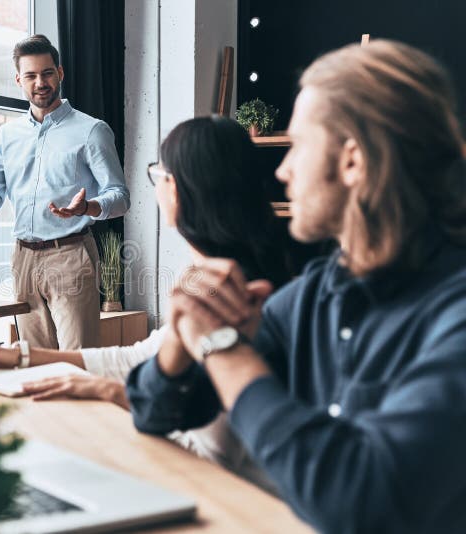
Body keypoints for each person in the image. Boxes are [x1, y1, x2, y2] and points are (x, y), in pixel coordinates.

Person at [127, 40, 466, 533]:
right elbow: (153, 410)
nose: (282, 170)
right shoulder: (313, 294)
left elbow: (360, 497)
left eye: (300, 145)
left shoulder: (454, 314)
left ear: (352, 162)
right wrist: (184, 333)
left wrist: (222, 345)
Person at [0, 116, 293, 487]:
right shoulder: (215, 274)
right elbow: (136, 358)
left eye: (157, 173)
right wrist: (18, 356)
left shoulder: (231, 293)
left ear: (176, 190)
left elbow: (212, 456)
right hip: (25, 256)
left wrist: (107, 392)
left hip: (229, 495)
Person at [0, 34, 129, 351]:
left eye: (47, 73)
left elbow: (120, 197)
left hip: (70, 254)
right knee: (35, 357)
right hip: (22, 258)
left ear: (60, 73)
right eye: (31, 76)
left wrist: (87, 207)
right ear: (19, 80)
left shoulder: (92, 130)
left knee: (77, 358)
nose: (40, 83)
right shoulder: (6, 136)